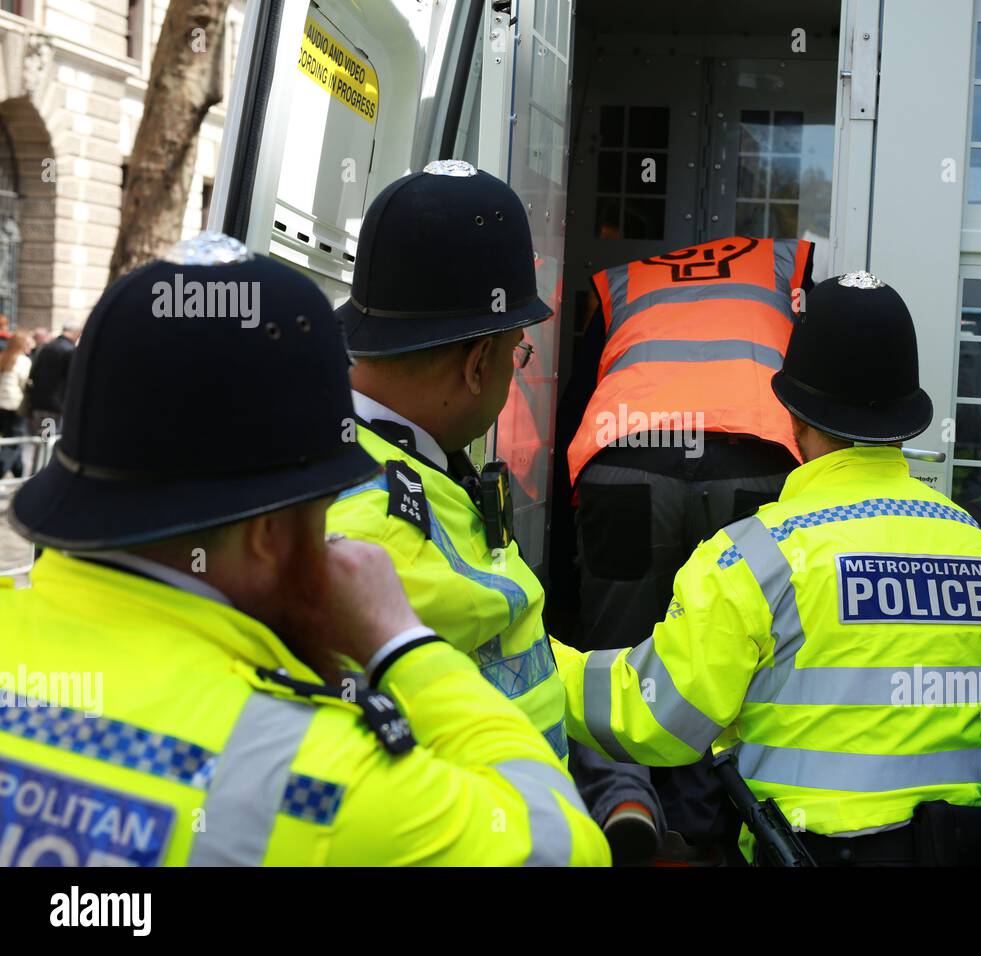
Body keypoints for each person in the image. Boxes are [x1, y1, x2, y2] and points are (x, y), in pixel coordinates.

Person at [0, 233, 609, 867]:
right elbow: (562, 849)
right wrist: (405, 644)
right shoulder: (327, 780)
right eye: (320, 507)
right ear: (268, 535)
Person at [552, 271, 981, 866]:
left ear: (791, 413)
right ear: (905, 419)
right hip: (963, 852)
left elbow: (654, 715)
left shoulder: (753, 558)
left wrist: (535, 658)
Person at [326, 160, 661, 864]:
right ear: (480, 363)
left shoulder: (410, 463)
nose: (515, 373)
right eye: (518, 353)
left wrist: (648, 708)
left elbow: (513, 661)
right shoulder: (370, 528)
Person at [557, 235, 813, 864]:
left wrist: (568, 540)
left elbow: (576, 404)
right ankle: (703, 827)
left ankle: (626, 803)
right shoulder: (784, 271)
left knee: (614, 653)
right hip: (750, 458)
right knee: (732, 644)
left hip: (627, 461)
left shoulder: (625, 284)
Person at [25, 321, 79, 436]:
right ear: (74, 333)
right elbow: (72, 379)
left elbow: (33, 373)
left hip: (38, 402)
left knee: (41, 441)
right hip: (55, 405)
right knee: (47, 440)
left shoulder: (46, 347)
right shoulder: (70, 350)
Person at [0, 331, 32, 477]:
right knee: (14, 443)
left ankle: (19, 474)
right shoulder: (23, 361)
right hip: (15, 405)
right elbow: (24, 383)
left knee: (10, 439)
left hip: (2, 404)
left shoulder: (3, 358)